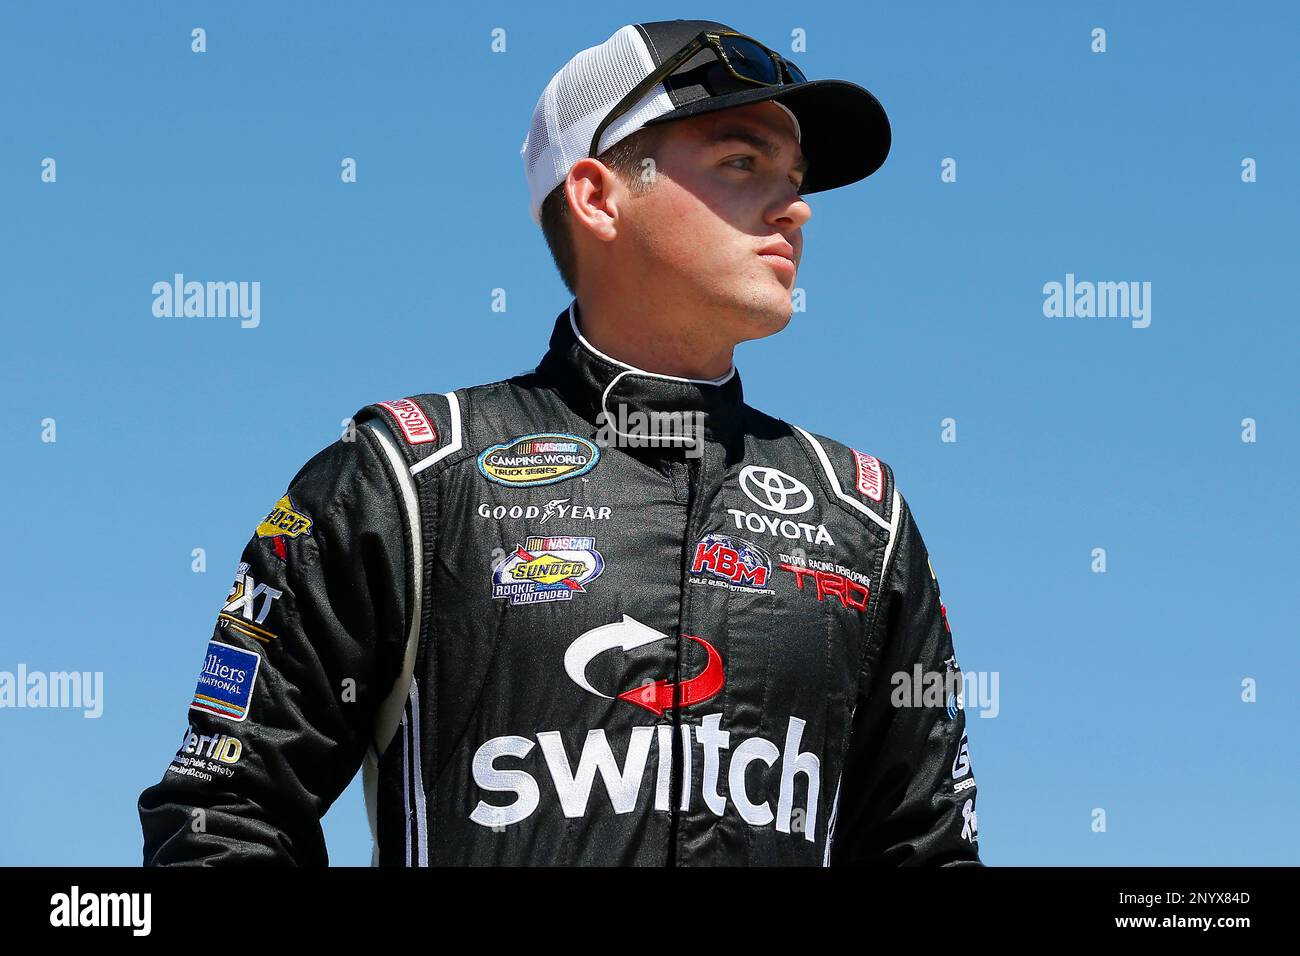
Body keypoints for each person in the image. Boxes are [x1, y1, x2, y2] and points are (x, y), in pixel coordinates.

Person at [139, 18, 983, 866]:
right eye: (741, 163)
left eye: (795, 177)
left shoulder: (863, 517)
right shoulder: (408, 475)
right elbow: (222, 812)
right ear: (596, 195)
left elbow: (931, 853)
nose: (794, 206)